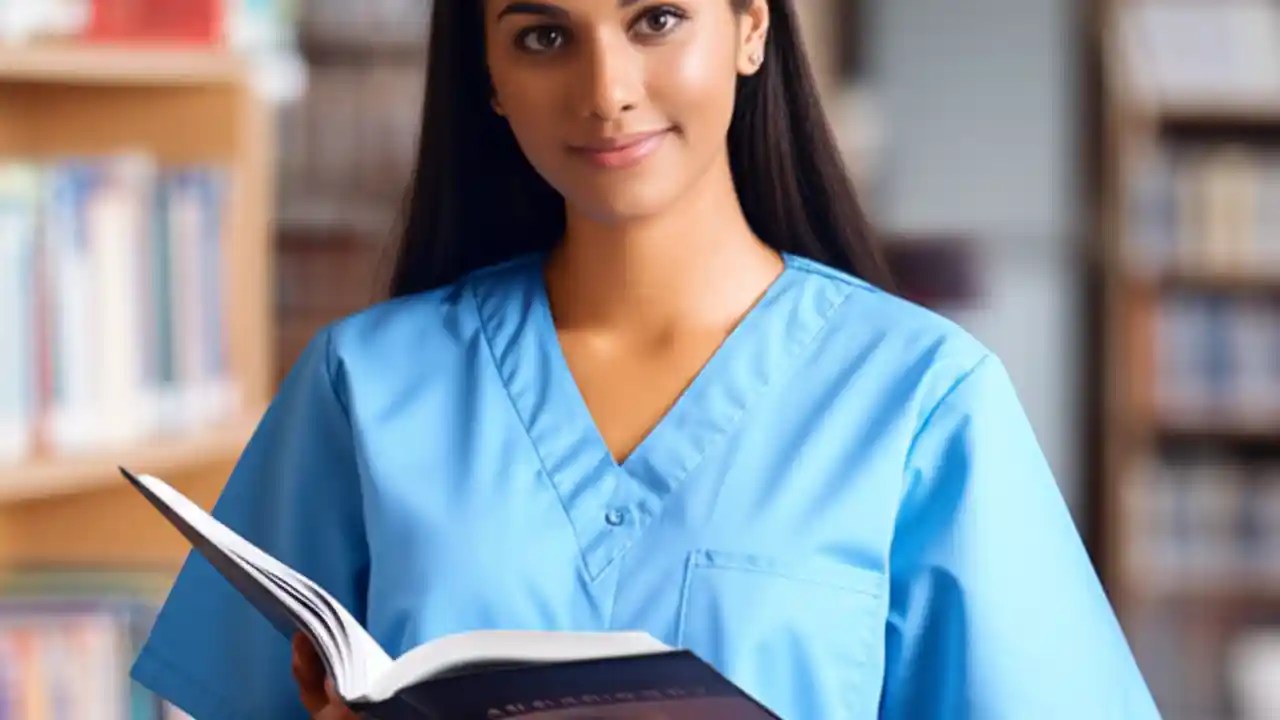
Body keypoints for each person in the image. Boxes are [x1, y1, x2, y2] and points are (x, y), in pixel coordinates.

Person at [130, 1, 1161, 718]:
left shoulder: (921, 399)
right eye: (541, 36)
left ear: (750, 25)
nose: (605, 88)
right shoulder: (365, 384)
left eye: (655, 19)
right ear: (487, 77)